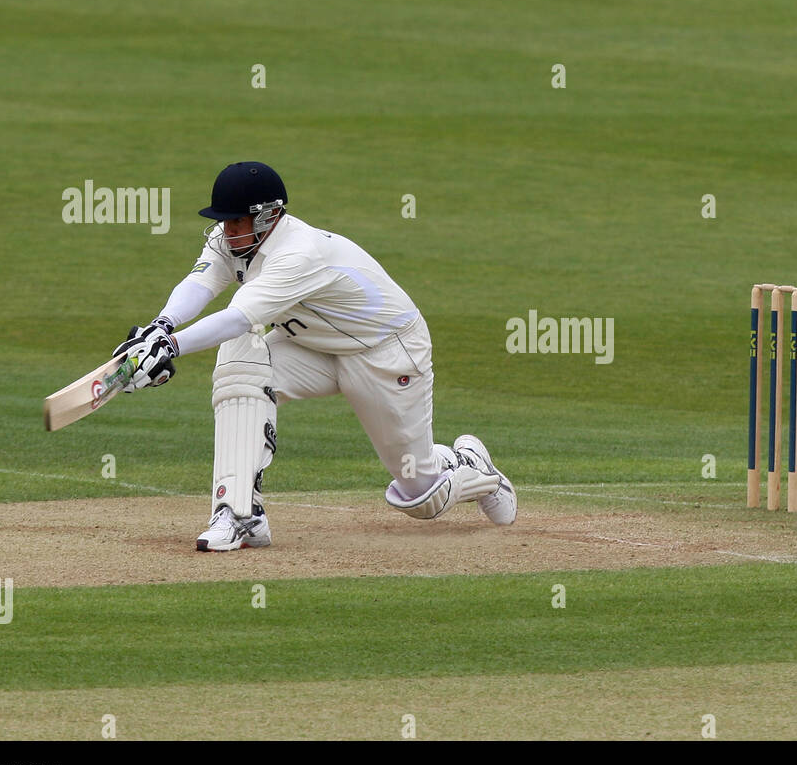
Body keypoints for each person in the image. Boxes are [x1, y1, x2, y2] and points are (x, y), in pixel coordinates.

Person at [113, 161, 516, 551]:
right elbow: (200, 281)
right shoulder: (229, 239)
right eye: (225, 221)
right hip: (314, 348)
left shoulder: (298, 254)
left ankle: (473, 468)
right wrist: (160, 328)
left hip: (386, 353)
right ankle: (238, 514)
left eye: (238, 221)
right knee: (242, 360)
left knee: (422, 497)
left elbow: (238, 316)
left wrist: (170, 348)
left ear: (269, 216)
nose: (228, 230)